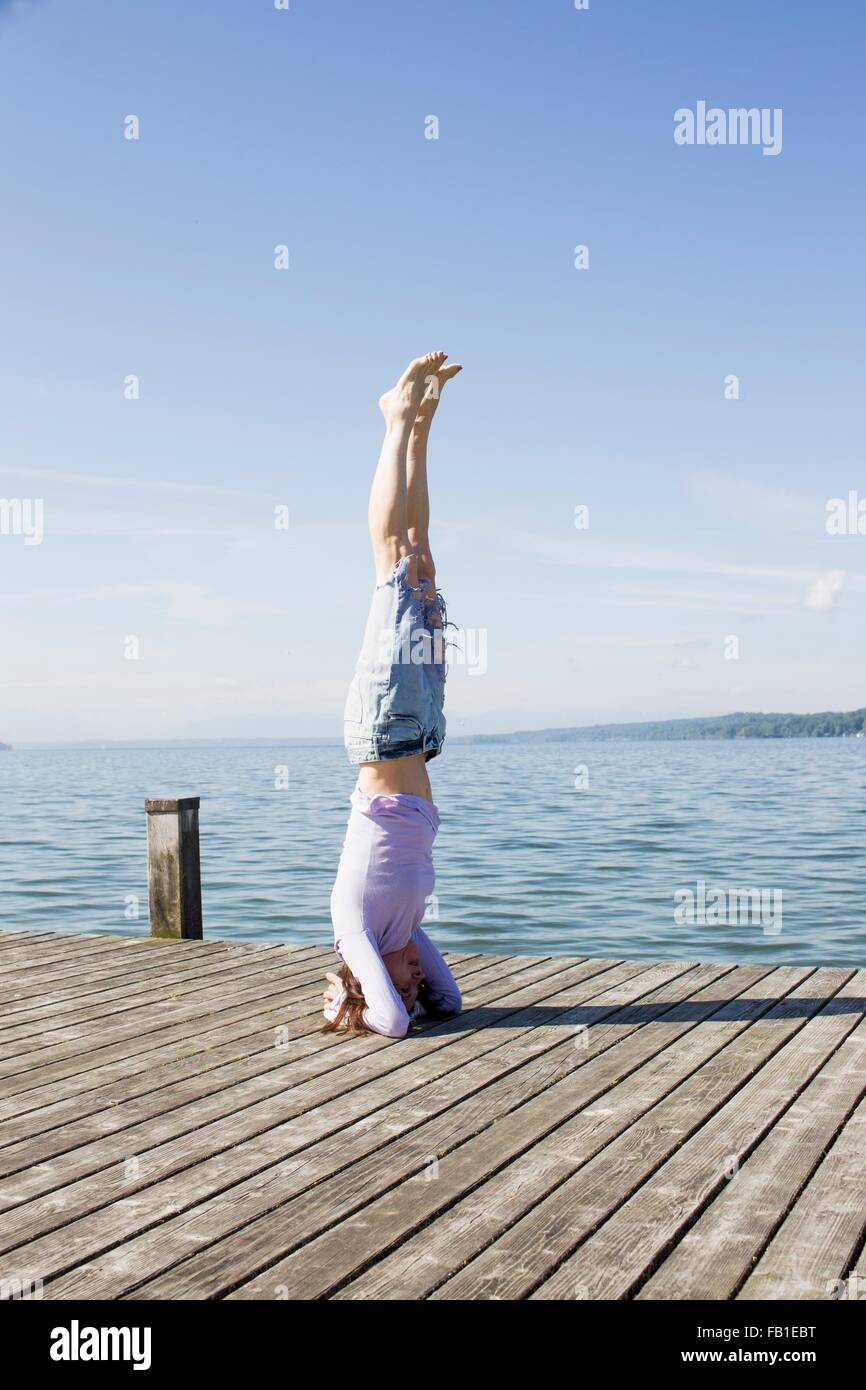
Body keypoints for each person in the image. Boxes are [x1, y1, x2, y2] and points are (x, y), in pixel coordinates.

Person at [322, 351, 464, 1037]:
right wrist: (418, 984)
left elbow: (394, 1021)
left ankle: (392, 423)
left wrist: (360, 996)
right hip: (423, 731)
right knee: (422, 552)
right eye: (413, 980)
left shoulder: (355, 928)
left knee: (391, 562)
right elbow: (452, 1002)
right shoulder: (403, 928)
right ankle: (420, 427)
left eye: (405, 979)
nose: (419, 977)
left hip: (385, 725)